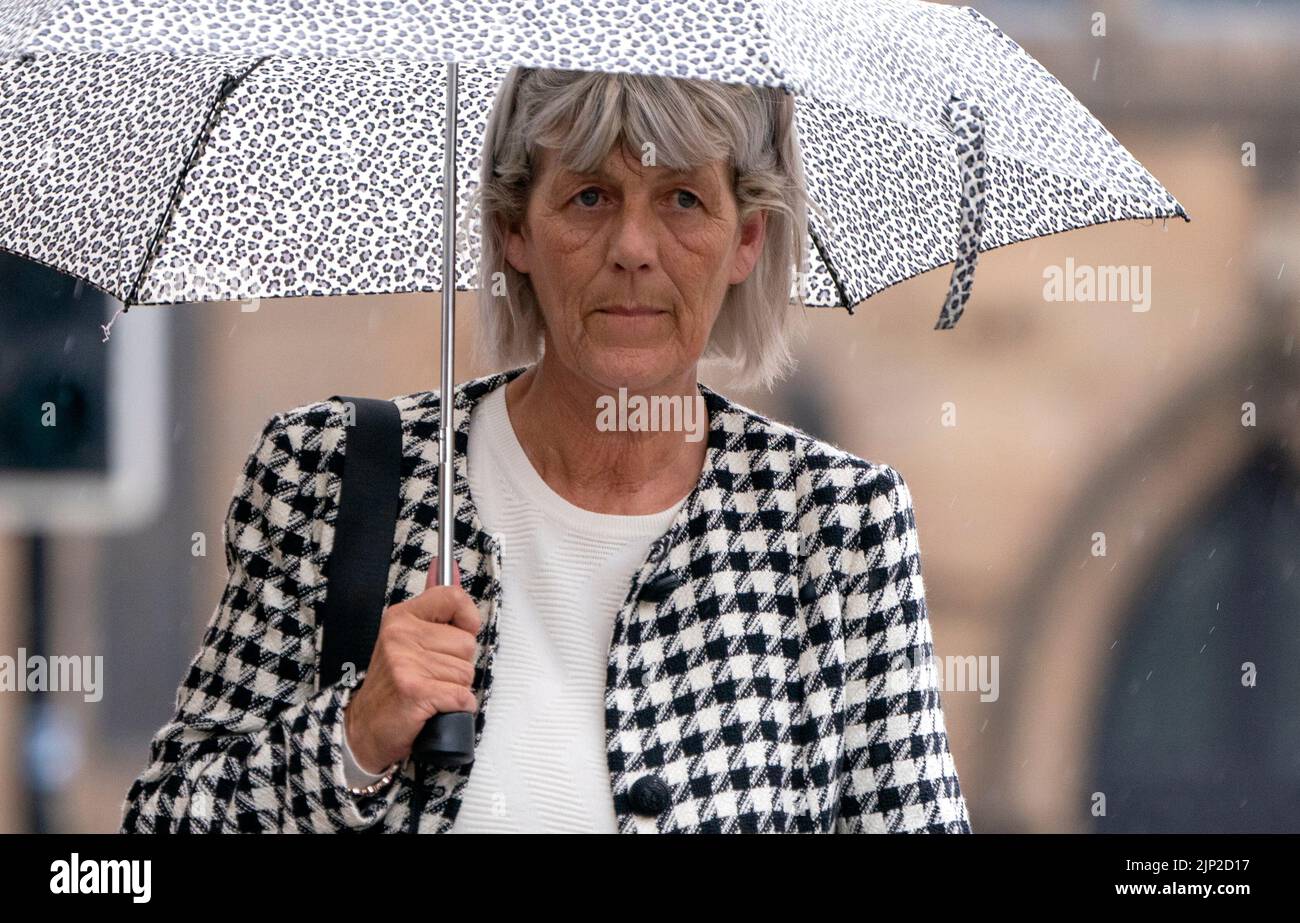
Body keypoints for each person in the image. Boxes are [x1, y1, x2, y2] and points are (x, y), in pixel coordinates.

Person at [120, 66, 972, 834]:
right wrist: (353, 737)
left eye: (681, 199)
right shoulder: (332, 476)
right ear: (512, 230)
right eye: (590, 197)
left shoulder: (838, 526)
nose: (633, 249)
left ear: (746, 238)